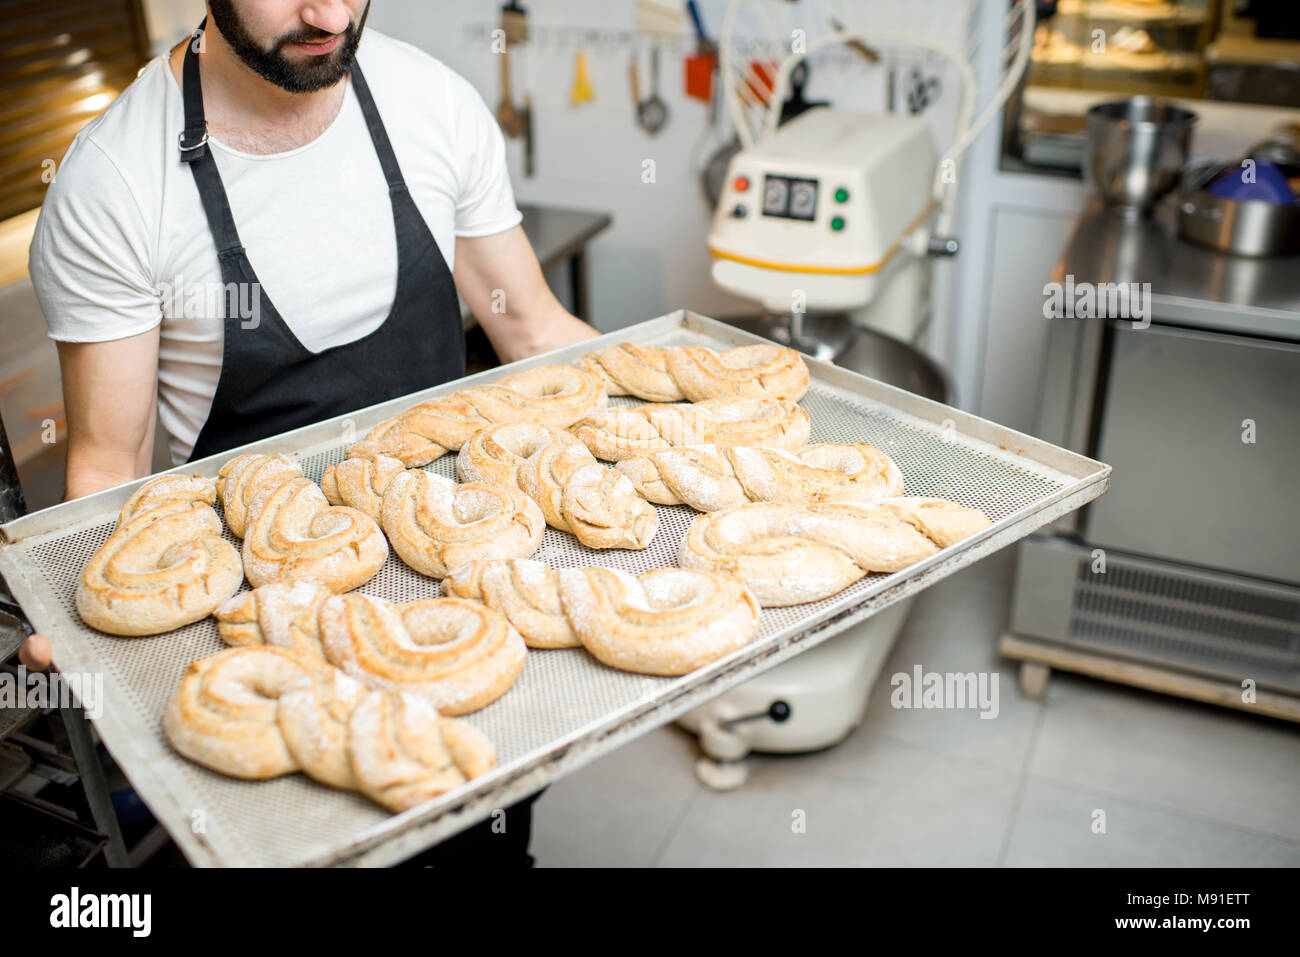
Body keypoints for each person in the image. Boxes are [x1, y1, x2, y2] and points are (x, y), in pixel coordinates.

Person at [20, 0, 600, 864]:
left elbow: (534, 332)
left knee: (487, 839)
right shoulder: (117, 180)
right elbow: (111, 466)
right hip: (267, 637)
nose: (326, 11)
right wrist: (78, 618)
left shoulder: (431, 105)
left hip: (466, 595)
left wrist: (701, 413)